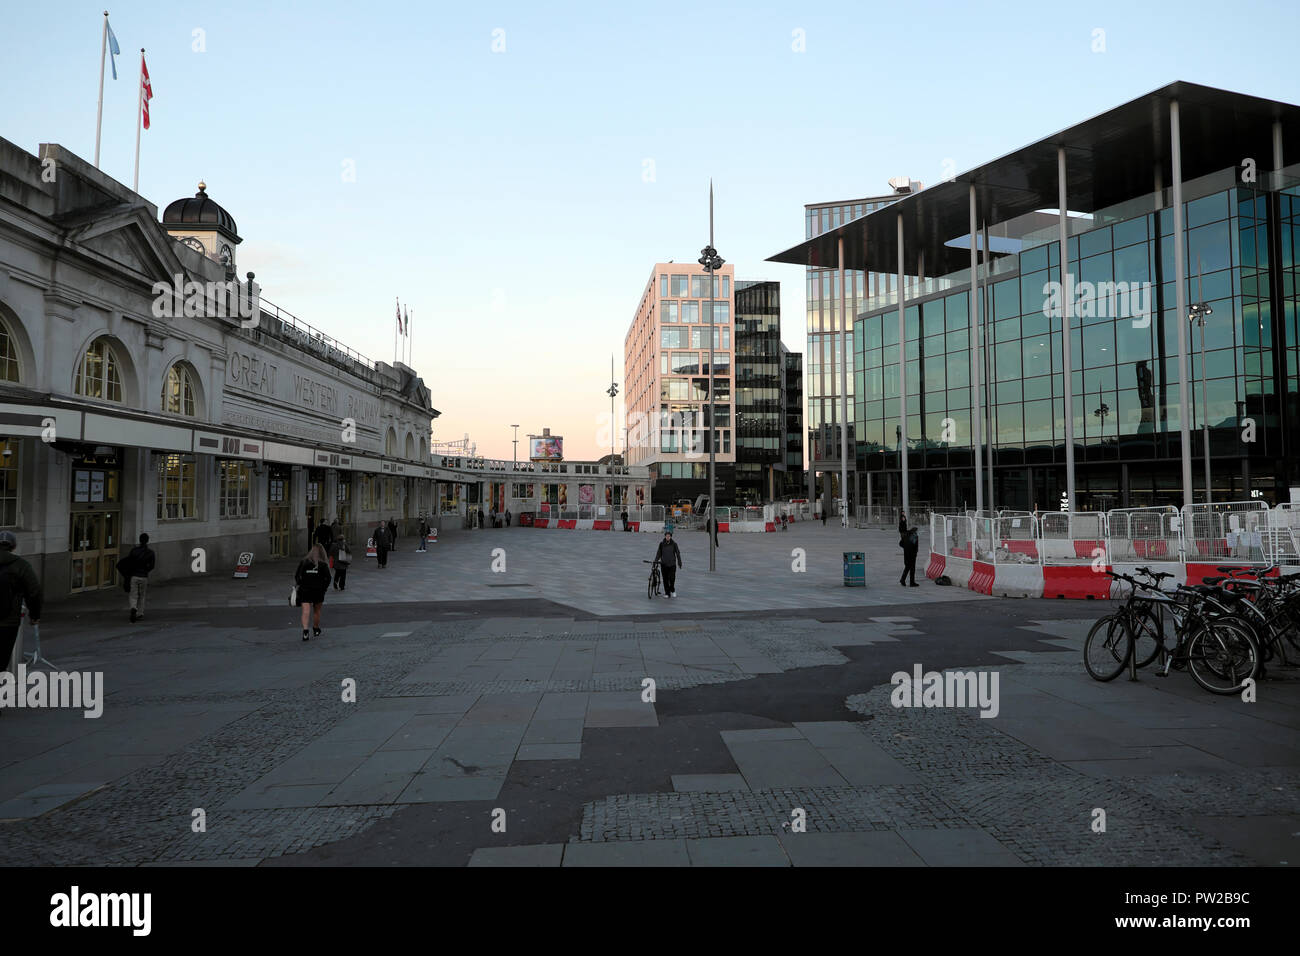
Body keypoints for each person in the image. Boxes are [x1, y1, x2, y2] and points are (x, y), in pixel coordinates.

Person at [0, 530, 41, 678]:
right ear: (14, 546)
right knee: (2, 656)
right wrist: (35, 615)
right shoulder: (21, 565)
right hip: (8, 619)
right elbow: (34, 591)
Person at [294, 543, 332, 640]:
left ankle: (305, 631)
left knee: (305, 611)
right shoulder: (323, 565)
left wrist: (301, 584)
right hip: (318, 591)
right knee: (317, 611)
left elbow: (297, 576)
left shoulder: (304, 562)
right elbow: (328, 578)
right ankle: (315, 628)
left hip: (305, 590)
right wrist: (324, 588)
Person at [117, 532, 156, 623]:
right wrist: (146, 570)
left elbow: (129, 562)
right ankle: (140, 613)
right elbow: (152, 566)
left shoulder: (134, 551)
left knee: (133, 594)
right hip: (143, 576)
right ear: (147, 541)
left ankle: (133, 607)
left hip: (134, 575)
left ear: (139, 540)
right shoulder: (150, 553)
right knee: (142, 595)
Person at [654, 529, 683, 599]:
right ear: (665, 536)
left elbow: (678, 553)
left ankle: (672, 590)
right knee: (665, 579)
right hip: (664, 564)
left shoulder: (674, 544)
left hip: (672, 564)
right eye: (666, 536)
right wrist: (655, 561)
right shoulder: (661, 544)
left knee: (672, 578)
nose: (667, 537)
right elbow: (659, 553)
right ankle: (667, 593)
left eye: (669, 536)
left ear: (671, 537)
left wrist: (679, 562)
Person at [899, 513, 920, 587]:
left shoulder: (906, 535)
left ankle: (903, 580)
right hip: (912, 555)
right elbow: (915, 546)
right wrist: (915, 552)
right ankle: (911, 582)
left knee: (907, 567)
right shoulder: (915, 537)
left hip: (906, 554)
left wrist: (906, 547)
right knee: (912, 568)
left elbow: (900, 543)